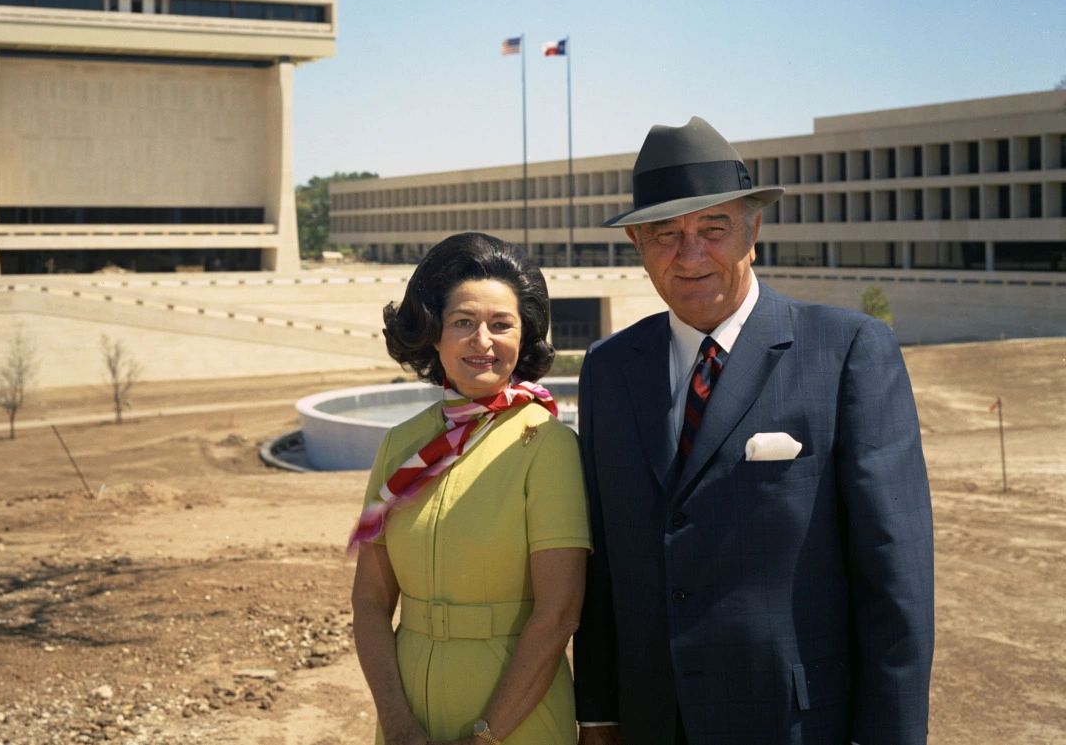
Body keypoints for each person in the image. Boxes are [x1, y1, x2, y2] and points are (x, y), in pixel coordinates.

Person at [574, 117, 934, 745]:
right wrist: (599, 715)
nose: (691, 255)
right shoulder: (608, 371)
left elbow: (894, 578)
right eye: (666, 235)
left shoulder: (847, 351)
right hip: (652, 725)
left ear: (754, 229)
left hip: (795, 725)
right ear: (635, 242)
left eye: (713, 229)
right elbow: (601, 564)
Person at [351, 232, 591, 745]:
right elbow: (370, 602)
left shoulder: (548, 446)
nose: (483, 341)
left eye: (501, 325)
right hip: (407, 715)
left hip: (517, 719)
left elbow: (559, 612)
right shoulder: (399, 446)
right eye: (463, 322)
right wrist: (396, 724)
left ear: (524, 338)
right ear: (435, 334)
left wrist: (487, 736)